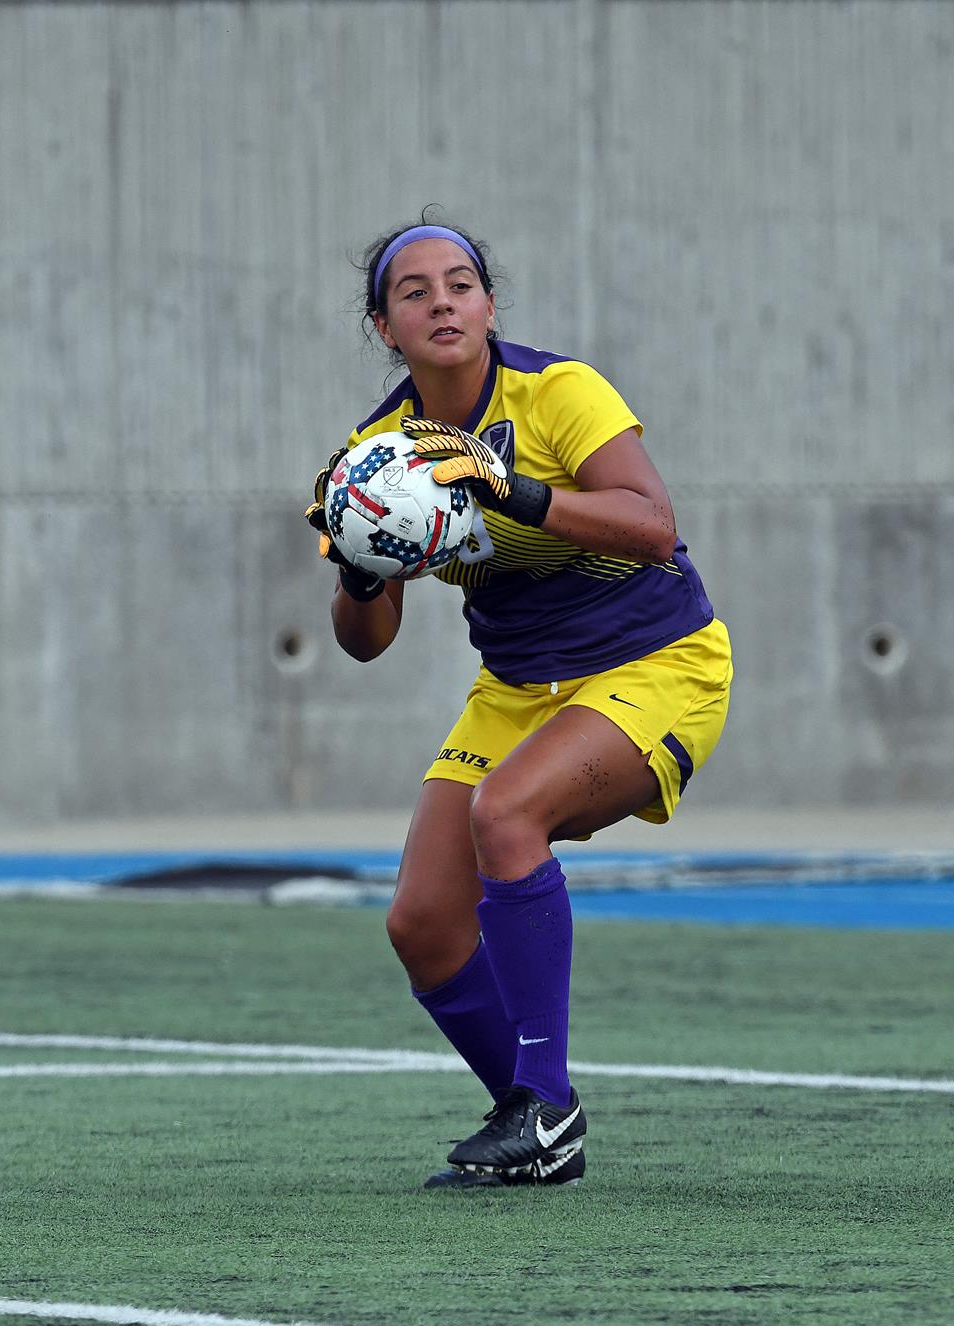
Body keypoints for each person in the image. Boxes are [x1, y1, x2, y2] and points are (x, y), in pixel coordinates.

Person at [304, 211, 733, 1188]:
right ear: (385, 327)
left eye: (459, 283)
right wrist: (358, 571)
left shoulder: (558, 391)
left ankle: (544, 1100)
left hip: (654, 662)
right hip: (516, 688)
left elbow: (653, 526)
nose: (440, 301)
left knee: (508, 812)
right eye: (413, 291)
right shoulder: (381, 449)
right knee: (419, 923)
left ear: (488, 305)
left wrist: (515, 493)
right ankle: (533, 1118)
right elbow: (364, 644)